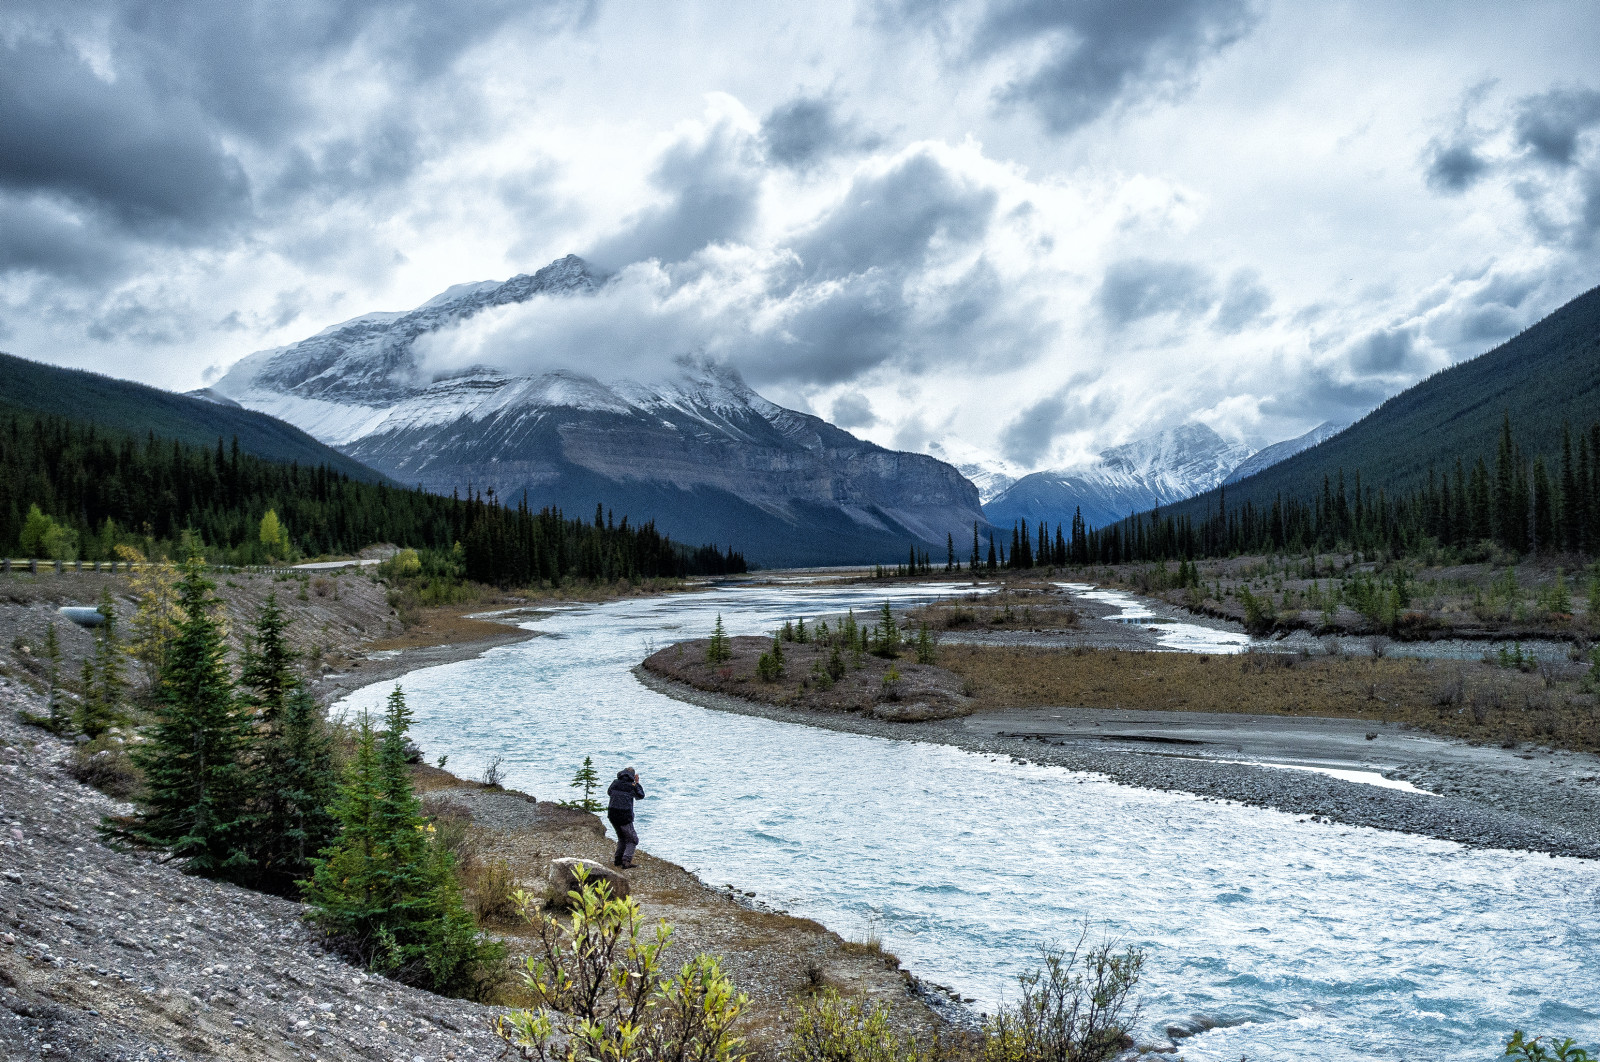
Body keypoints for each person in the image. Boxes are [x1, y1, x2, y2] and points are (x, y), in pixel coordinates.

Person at [606, 766, 645, 869]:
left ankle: (618, 860)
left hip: (612, 814)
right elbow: (641, 796)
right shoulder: (632, 785)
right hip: (625, 815)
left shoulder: (615, 782)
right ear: (633, 776)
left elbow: (609, 792)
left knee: (622, 837)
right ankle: (626, 861)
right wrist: (636, 783)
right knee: (632, 839)